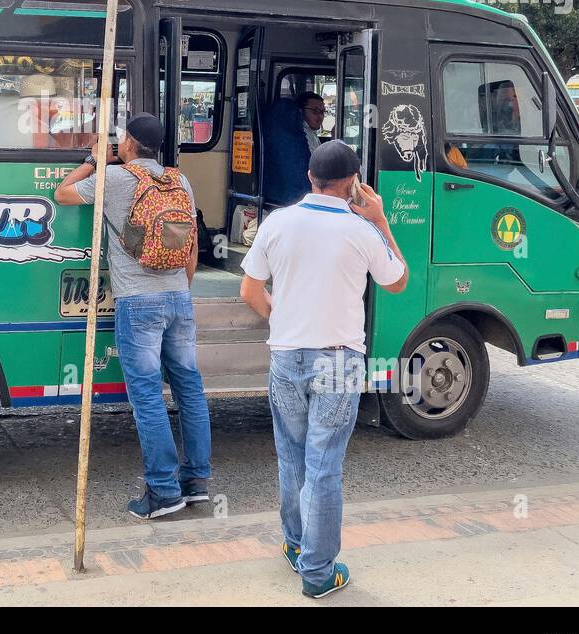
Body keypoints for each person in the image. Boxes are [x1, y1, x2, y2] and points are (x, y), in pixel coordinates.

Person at [239, 140, 408, 599]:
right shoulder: (361, 230)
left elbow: (250, 292)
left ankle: (296, 547)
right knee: (324, 466)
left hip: (286, 355)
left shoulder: (278, 222)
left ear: (310, 178)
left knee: (292, 456)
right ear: (354, 183)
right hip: (339, 360)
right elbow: (397, 281)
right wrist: (381, 220)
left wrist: (287, 320)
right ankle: (318, 572)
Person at [55, 113, 210, 520]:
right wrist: (181, 290)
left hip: (138, 302)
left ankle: (163, 490)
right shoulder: (181, 181)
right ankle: (195, 484)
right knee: (189, 390)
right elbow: (191, 246)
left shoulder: (119, 179)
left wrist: (92, 160)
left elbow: (63, 194)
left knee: (146, 396)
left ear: (128, 143)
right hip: (178, 295)